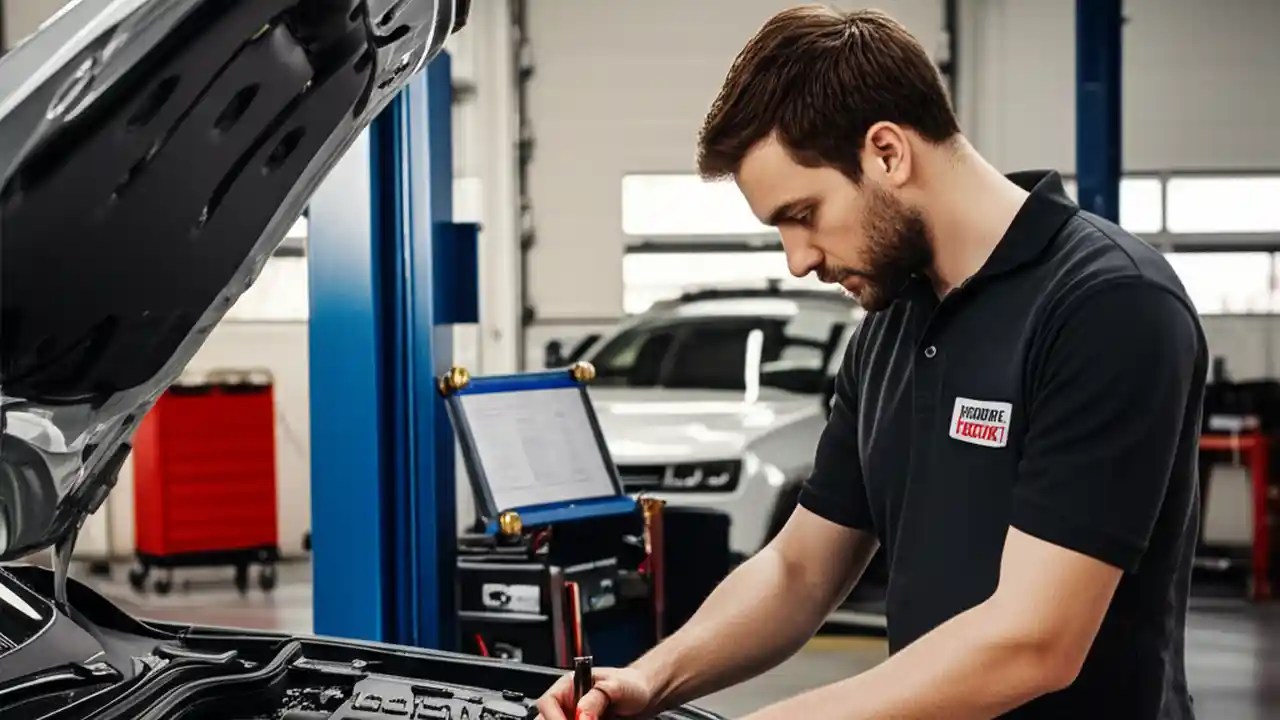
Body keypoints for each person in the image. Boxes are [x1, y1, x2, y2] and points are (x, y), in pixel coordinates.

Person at [537, 5, 1204, 719]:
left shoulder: (1107, 306)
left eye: (803, 214)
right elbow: (799, 569)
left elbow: (1033, 641)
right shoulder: (888, 328)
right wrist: (650, 678)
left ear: (887, 152)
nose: (797, 262)